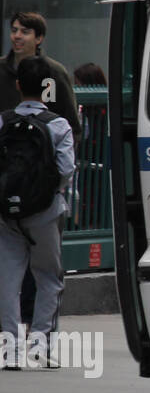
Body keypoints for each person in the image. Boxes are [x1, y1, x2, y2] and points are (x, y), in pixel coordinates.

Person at [0, 57, 76, 369]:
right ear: (47, 87)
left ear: (17, 85)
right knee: (48, 278)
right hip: (45, 213)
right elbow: (66, 170)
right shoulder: (58, 125)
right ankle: (41, 348)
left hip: (7, 214)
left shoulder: (3, 121)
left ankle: (9, 351)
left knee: (8, 280)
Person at [1, 12, 81, 134]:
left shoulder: (54, 72)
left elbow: (70, 120)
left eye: (25, 32)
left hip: (42, 146)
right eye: (14, 30)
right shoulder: (1, 69)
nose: (17, 36)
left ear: (39, 38)